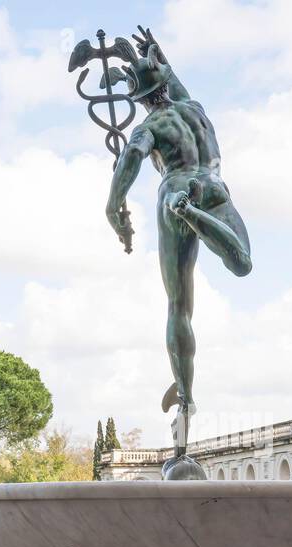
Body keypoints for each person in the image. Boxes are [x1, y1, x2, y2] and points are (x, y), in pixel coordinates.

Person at [103, 27, 252, 477]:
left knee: (178, 305)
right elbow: (176, 81)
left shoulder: (150, 126)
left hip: (176, 190)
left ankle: (185, 396)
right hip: (216, 188)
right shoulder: (196, 109)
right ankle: (197, 214)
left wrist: (114, 204)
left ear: (142, 99)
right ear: (166, 84)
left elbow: (131, 157)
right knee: (242, 264)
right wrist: (157, 53)